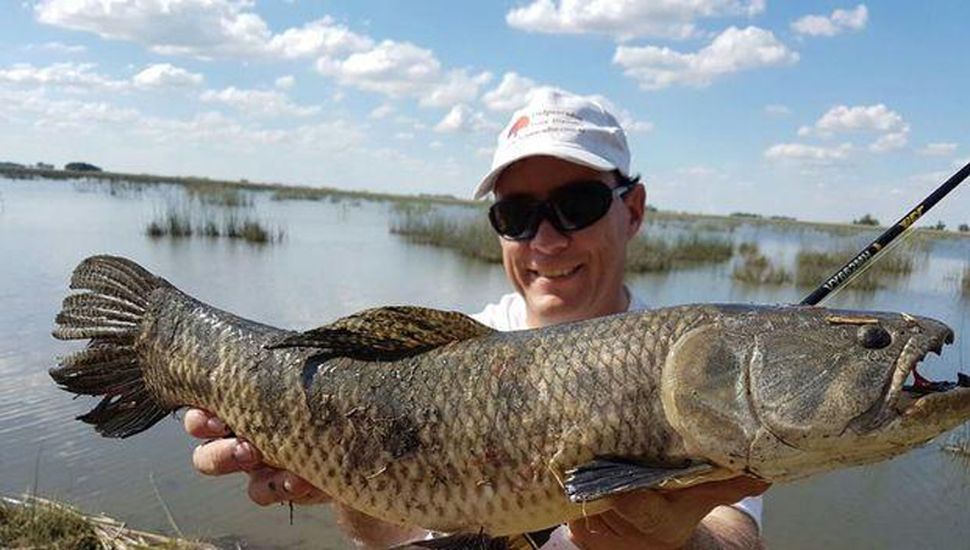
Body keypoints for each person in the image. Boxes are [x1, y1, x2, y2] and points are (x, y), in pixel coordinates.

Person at [185, 89, 769, 549]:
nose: (545, 240)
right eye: (516, 215)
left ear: (633, 210)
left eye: (577, 206)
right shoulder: (440, 359)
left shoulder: (690, 365)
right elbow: (390, 530)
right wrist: (333, 477)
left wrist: (682, 544)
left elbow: (736, 531)